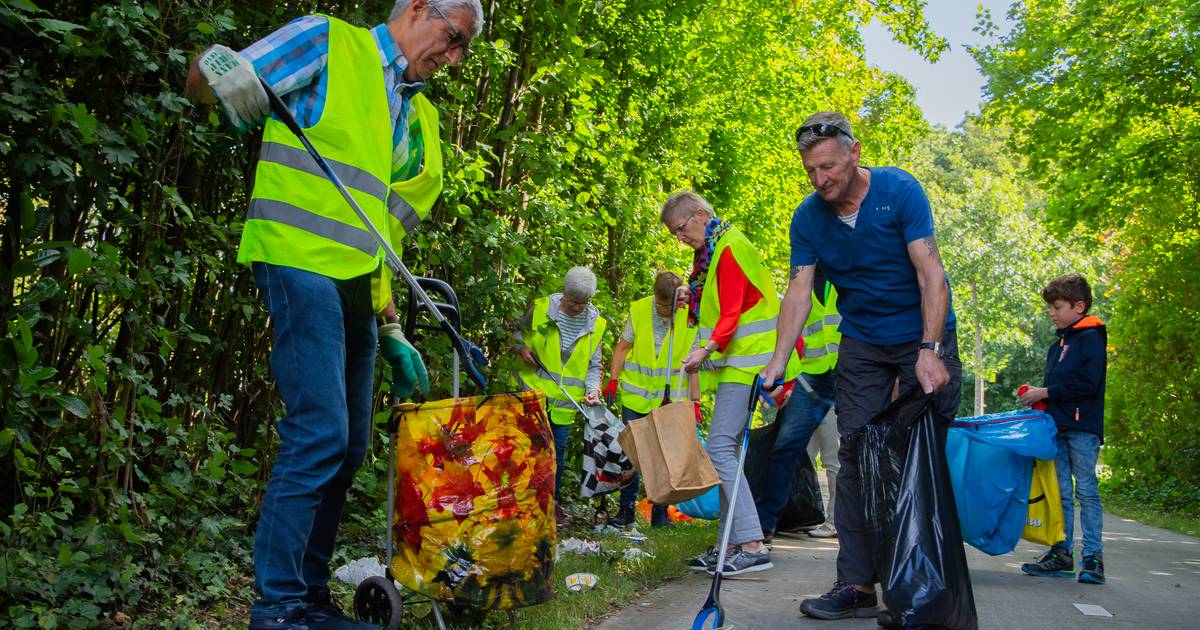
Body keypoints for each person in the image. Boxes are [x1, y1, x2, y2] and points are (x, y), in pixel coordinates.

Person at [185, 2, 482, 628]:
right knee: (319, 431)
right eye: (453, 39)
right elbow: (210, 81)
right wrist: (213, 70)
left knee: (347, 447)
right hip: (296, 259)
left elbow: (376, 233)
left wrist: (394, 327)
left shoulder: (412, 110)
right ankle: (279, 608)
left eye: (463, 50)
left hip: (356, 286)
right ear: (421, 9)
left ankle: (311, 597)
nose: (453, 58)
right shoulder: (331, 43)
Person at [759, 111, 962, 620]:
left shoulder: (899, 192)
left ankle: (922, 588)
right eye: (811, 171)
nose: (821, 178)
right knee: (853, 457)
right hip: (865, 344)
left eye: (829, 166)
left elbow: (930, 273)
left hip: (924, 334)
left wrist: (930, 350)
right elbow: (799, 290)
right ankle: (855, 584)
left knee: (917, 458)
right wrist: (778, 361)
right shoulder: (808, 218)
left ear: (854, 153)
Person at [662, 190, 791, 577]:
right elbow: (718, 301)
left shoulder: (730, 247)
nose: (680, 238)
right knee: (724, 449)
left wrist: (707, 350)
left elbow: (733, 311)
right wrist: (690, 293)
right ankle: (729, 544)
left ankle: (750, 543)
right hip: (741, 361)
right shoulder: (713, 252)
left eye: (681, 229)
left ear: (701, 215)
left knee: (719, 447)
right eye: (674, 234)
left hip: (748, 360)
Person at [1018, 273, 1108, 585]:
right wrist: (1039, 398)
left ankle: (1093, 557)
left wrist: (1047, 393)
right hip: (1057, 425)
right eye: (1050, 308)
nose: (1052, 313)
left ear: (1079, 306)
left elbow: (1088, 383)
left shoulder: (1091, 337)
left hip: (1083, 427)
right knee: (1060, 493)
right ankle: (1062, 552)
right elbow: (1056, 387)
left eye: (1057, 307)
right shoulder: (1058, 345)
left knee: (1086, 489)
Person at [604, 271, 701, 528]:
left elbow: (694, 362)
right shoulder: (639, 310)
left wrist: (695, 401)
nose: (662, 310)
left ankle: (660, 514)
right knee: (631, 455)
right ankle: (626, 511)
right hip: (635, 397)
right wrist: (613, 379)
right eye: (659, 304)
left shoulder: (689, 316)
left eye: (667, 307)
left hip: (667, 400)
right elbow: (623, 347)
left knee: (662, 457)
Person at [514, 266, 606, 526]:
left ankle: (551, 505)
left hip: (564, 406)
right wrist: (521, 348)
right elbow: (515, 333)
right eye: (573, 301)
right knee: (528, 451)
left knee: (558, 455)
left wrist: (592, 390)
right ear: (564, 292)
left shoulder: (596, 325)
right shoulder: (542, 309)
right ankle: (524, 505)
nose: (578, 307)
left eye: (583, 303)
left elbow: (594, 365)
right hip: (533, 397)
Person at [754, 269, 840, 542]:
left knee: (845, 456)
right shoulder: (803, 281)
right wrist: (785, 382)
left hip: (853, 372)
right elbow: (790, 337)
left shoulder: (850, 266)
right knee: (785, 447)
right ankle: (765, 525)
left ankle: (846, 524)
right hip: (813, 377)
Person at [805, 405, 840, 539]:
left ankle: (834, 521)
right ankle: (805, 515)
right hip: (809, 398)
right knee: (805, 458)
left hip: (834, 400)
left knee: (833, 461)